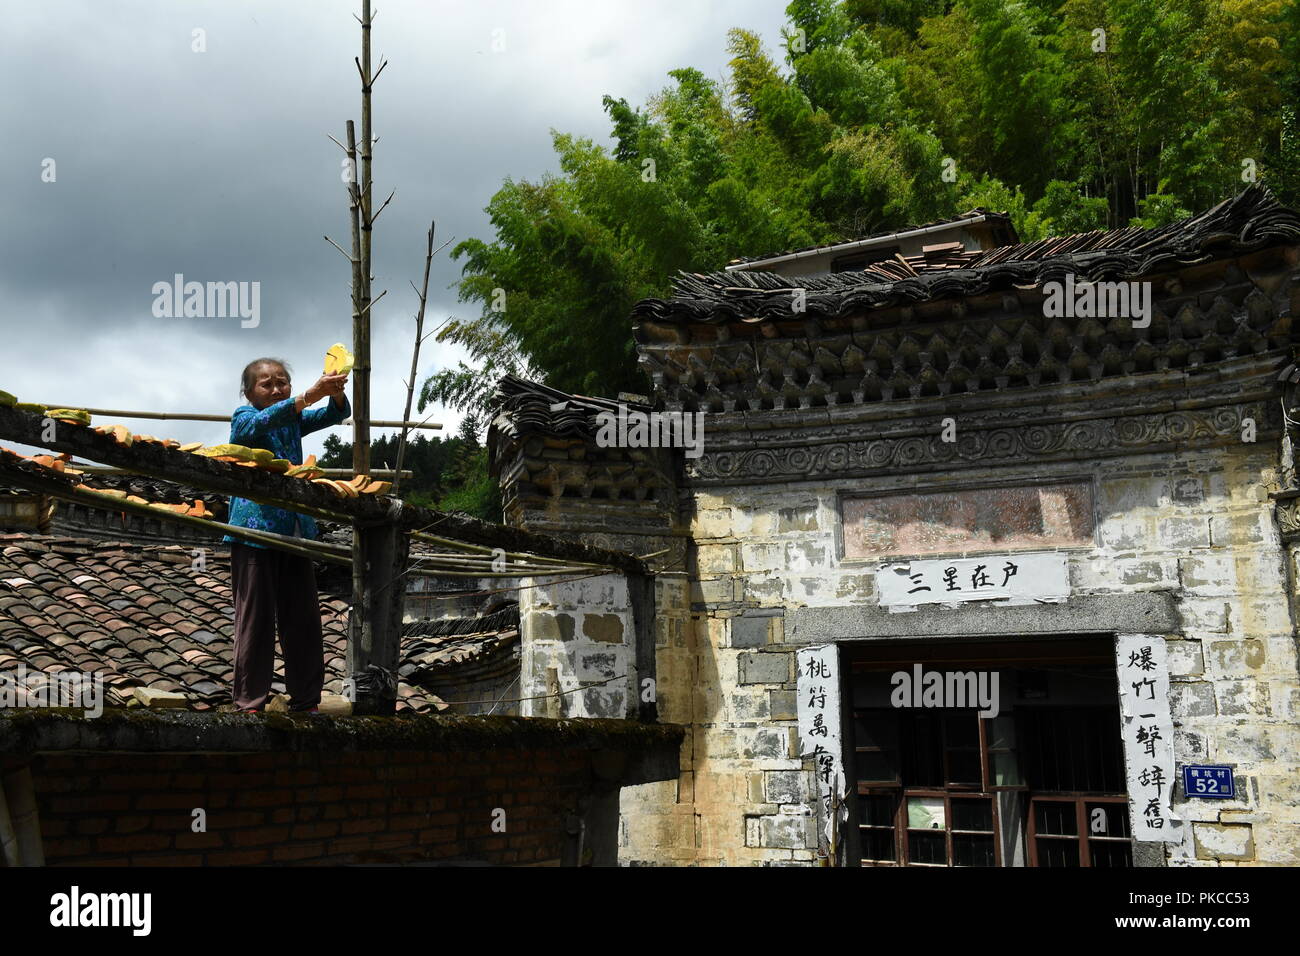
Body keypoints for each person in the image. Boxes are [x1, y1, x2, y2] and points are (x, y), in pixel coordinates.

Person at [224, 357, 350, 713]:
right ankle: (250, 702)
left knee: (304, 619)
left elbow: (332, 416)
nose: (277, 388)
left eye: (283, 382)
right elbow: (261, 423)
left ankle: (307, 700)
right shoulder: (244, 417)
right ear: (249, 392)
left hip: (295, 532)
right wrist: (308, 395)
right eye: (267, 384)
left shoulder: (292, 419)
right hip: (255, 532)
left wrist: (335, 395)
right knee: (256, 619)